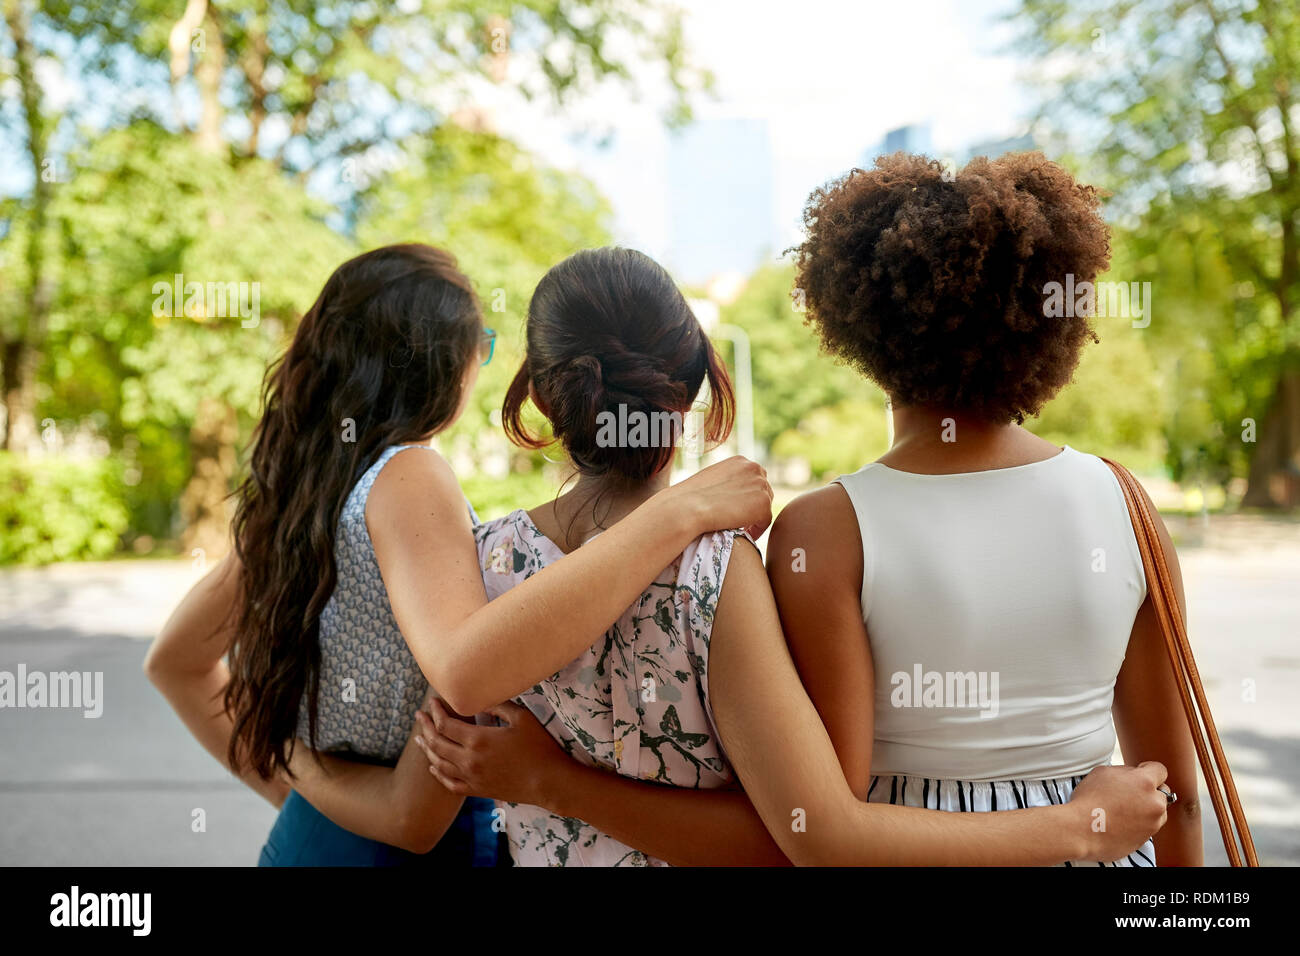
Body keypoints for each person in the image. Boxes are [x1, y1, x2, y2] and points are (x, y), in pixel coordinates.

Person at [414, 245, 1174, 866]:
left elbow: (414, 804)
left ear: (543, 399)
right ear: (692, 388)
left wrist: (544, 785)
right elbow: (801, 835)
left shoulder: (483, 563)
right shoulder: (717, 574)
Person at [143, 243, 774, 865]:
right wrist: (677, 511)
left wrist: (296, 769)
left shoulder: (301, 491)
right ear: (448, 364)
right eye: (484, 345)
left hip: (312, 839)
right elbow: (412, 810)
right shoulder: (411, 476)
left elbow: (174, 661)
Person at [716, 152, 1200, 865]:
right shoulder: (1125, 505)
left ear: (861, 326)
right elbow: (1174, 797)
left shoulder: (827, 529)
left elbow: (835, 810)